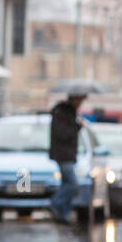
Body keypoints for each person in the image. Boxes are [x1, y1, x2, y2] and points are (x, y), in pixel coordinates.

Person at [47, 92, 85, 223]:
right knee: (73, 185)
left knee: (66, 183)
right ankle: (56, 203)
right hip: (63, 155)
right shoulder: (62, 113)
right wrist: (77, 127)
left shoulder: (69, 112)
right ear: (74, 99)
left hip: (67, 154)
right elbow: (62, 134)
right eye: (80, 100)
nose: (81, 103)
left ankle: (63, 213)